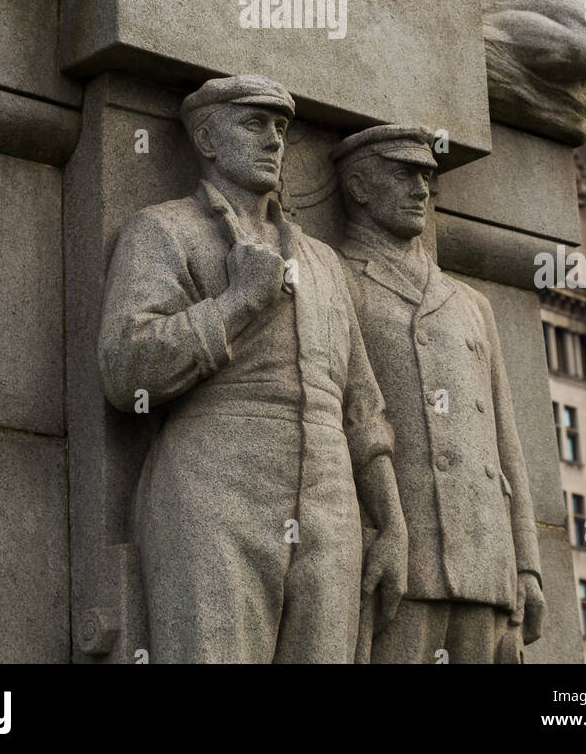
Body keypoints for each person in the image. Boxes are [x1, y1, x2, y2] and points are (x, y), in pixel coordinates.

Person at [97, 74, 408, 663]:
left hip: (330, 500)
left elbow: (362, 408)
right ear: (208, 141)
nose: (274, 141)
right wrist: (239, 302)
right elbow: (124, 368)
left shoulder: (322, 261)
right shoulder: (164, 230)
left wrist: (391, 523)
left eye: (282, 128)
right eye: (254, 124)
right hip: (213, 488)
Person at [334, 123, 546, 664]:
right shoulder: (334, 277)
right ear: (359, 186)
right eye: (405, 174)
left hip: (486, 559)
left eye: (427, 177)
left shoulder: (472, 302)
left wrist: (526, 565)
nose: (421, 190)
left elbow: (507, 444)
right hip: (401, 555)